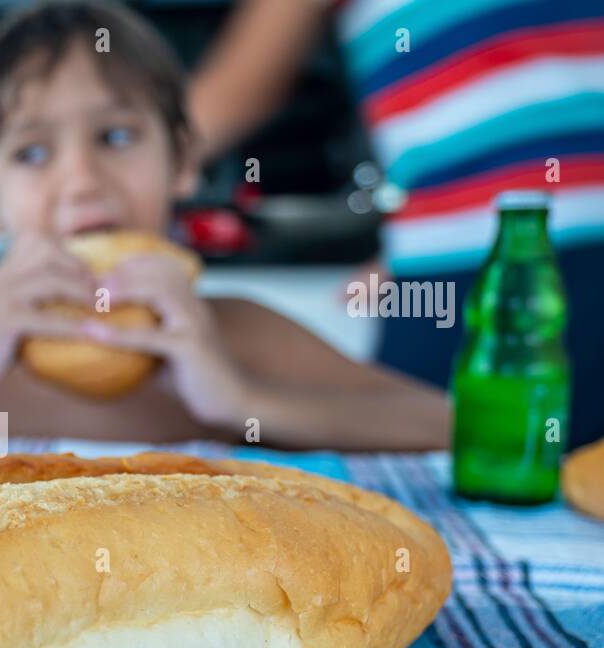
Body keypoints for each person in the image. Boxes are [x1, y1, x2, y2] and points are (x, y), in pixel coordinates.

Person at [0, 0, 449, 450]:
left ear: (182, 163)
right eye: (32, 153)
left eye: (116, 137)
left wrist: (241, 400)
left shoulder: (231, 331)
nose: (83, 179)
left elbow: (447, 426)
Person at [188, 0, 604, 448]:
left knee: (463, 466)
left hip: (470, 265)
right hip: (470, 255)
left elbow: (233, 95)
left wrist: (145, 163)